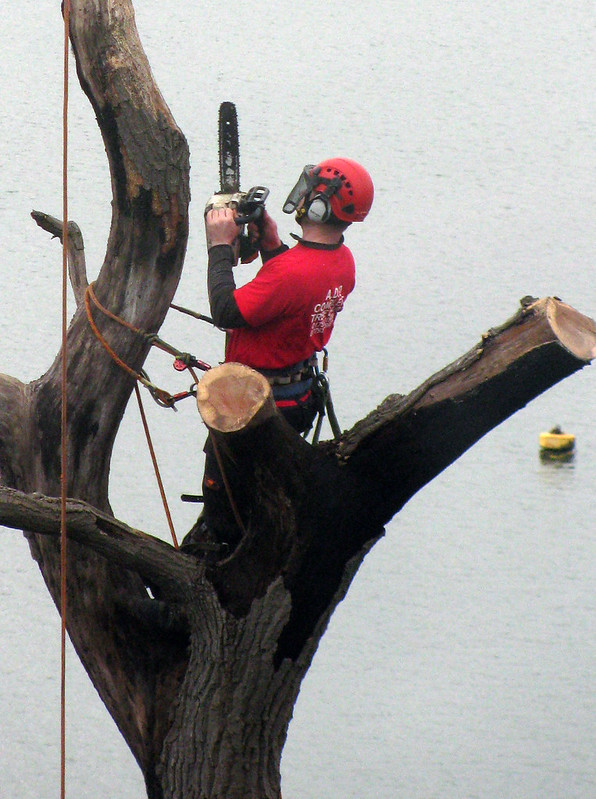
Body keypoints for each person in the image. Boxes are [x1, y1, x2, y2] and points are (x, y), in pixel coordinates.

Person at [199, 158, 374, 548]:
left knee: (225, 508)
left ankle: (223, 559)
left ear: (320, 204)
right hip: (297, 398)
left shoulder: (290, 273)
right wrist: (271, 243)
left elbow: (225, 311)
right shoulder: (341, 262)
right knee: (262, 494)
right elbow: (292, 297)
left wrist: (220, 247)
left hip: (255, 411)